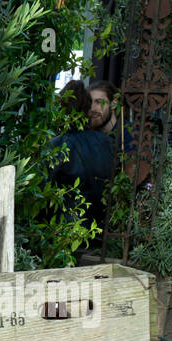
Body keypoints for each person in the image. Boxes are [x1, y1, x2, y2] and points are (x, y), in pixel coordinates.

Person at [51, 81, 115, 232]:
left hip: (65, 230)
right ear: (86, 109)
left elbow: (43, 191)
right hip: (100, 229)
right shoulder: (107, 142)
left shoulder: (58, 145)